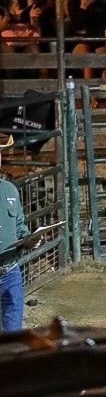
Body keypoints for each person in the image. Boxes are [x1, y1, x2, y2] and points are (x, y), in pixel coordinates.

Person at [0, 133, 30, 331]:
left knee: (14, 334)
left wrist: (29, 239)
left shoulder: (10, 190)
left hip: (10, 270)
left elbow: (20, 225)